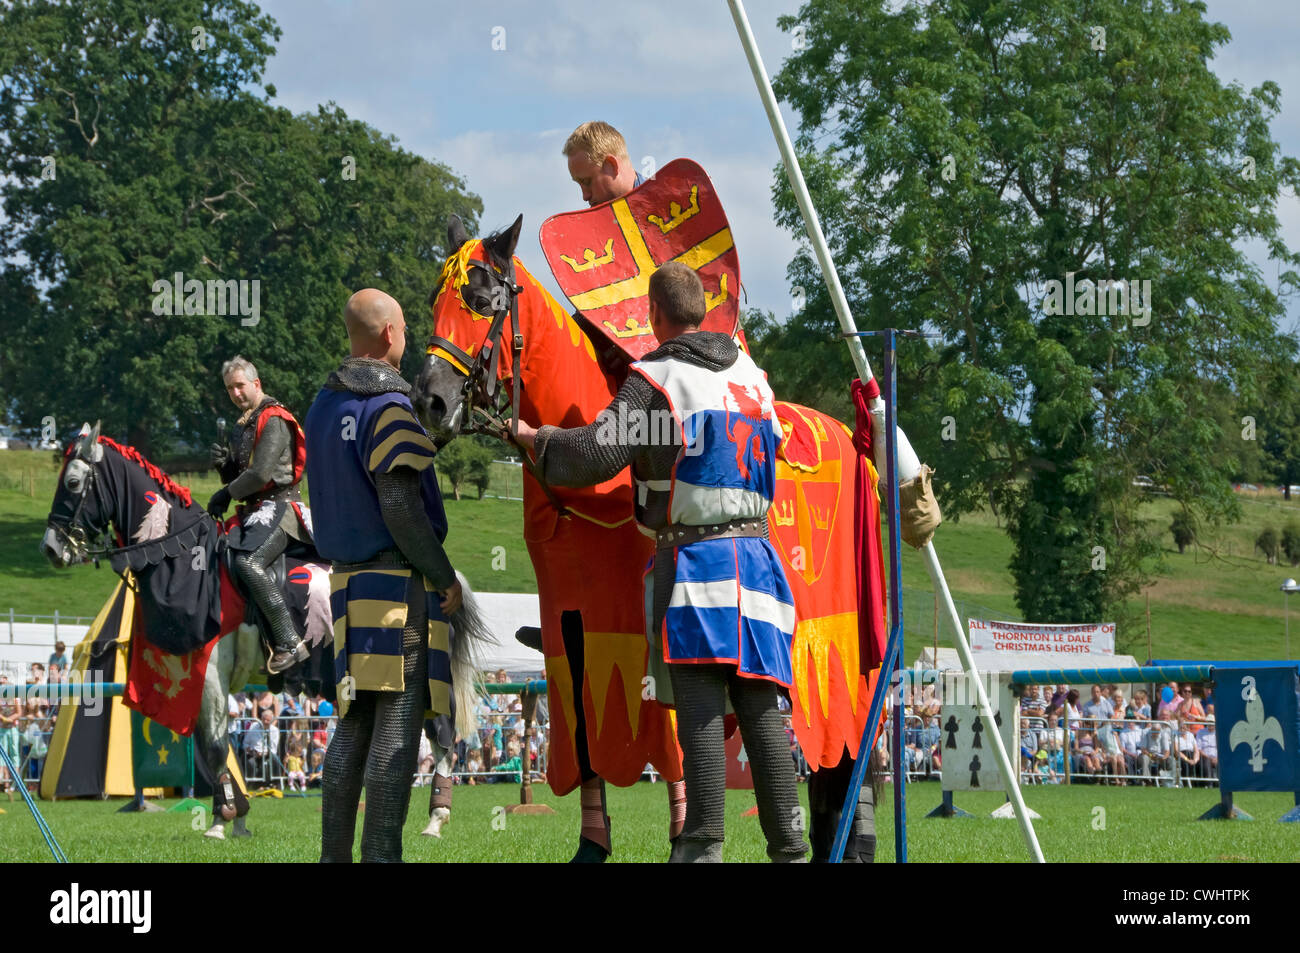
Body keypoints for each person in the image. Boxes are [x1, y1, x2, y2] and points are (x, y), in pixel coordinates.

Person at [508, 261, 807, 863]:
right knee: (761, 713)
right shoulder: (754, 376)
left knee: (697, 710)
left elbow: (596, 453)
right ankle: (792, 851)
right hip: (760, 559)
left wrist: (532, 439)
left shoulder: (658, 376)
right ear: (704, 311)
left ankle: (699, 850)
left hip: (698, 565)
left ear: (652, 315)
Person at [305, 288, 463, 863]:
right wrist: (444, 574)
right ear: (392, 335)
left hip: (345, 585)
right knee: (396, 727)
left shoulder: (320, 407)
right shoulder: (390, 409)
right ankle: (380, 857)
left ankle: (333, 857)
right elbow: (401, 508)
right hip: (396, 587)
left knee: (353, 723)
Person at [207, 355, 313, 674]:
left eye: (240, 386)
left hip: (281, 510)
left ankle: (289, 642)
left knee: (248, 562)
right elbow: (245, 478)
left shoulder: (274, 417)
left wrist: (226, 493)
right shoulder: (246, 424)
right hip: (256, 511)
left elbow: (261, 474)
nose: (235, 394)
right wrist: (226, 468)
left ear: (256, 384)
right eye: (229, 389)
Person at [562, 120, 645, 208]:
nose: (585, 196)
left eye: (587, 182)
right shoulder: (593, 220)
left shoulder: (660, 204)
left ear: (611, 165)